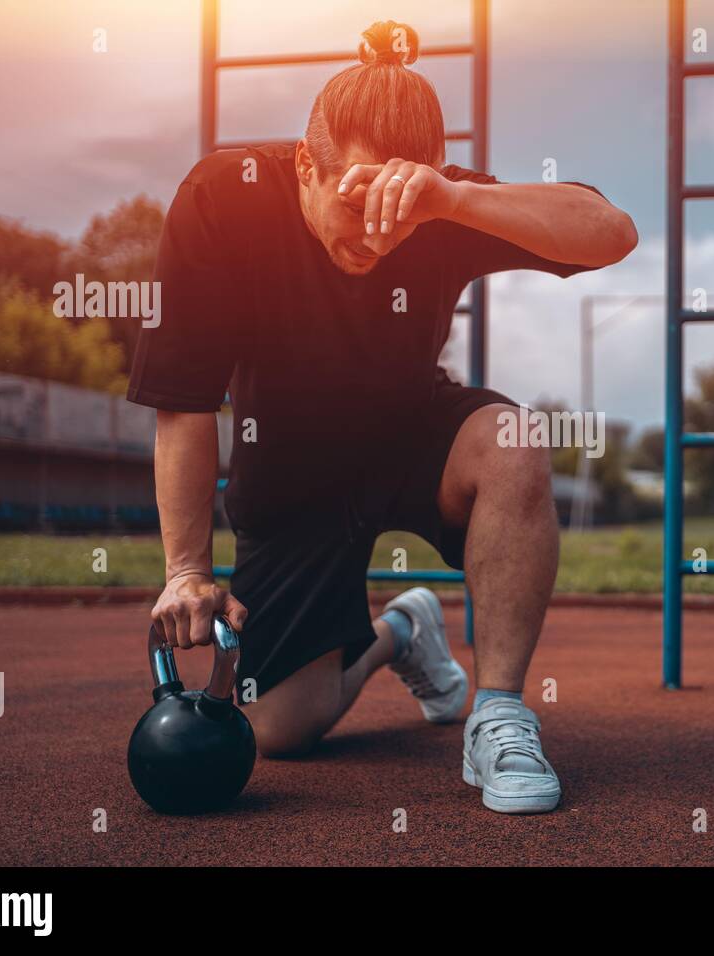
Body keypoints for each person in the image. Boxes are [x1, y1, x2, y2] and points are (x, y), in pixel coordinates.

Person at [127, 20, 637, 814]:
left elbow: (613, 234)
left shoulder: (435, 202)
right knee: (279, 728)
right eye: (357, 198)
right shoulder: (223, 200)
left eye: (397, 205)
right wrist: (187, 570)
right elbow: (185, 405)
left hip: (412, 435)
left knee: (512, 440)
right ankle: (404, 631)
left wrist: (454, 198)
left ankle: (498, 714)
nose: (379, 229)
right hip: (290, 470)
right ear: (304, 165)